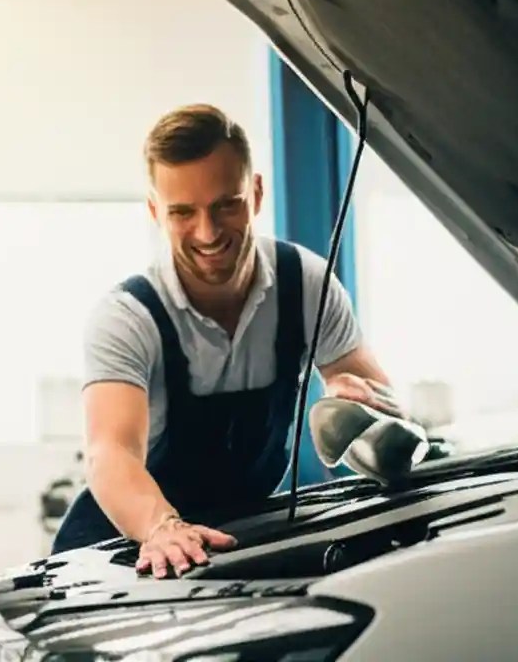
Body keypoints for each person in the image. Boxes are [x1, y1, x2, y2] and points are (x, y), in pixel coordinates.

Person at [51, 103, 399, 577]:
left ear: (254, 193)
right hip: (121, 549)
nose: (208, 232)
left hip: (237, 537)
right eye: (182, 213)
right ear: (155, 211)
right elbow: (112, 451)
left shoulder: (306, 285)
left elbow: (384, 412)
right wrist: (160, 528)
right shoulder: (128, 316)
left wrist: (356, 408)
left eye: (225, 205)